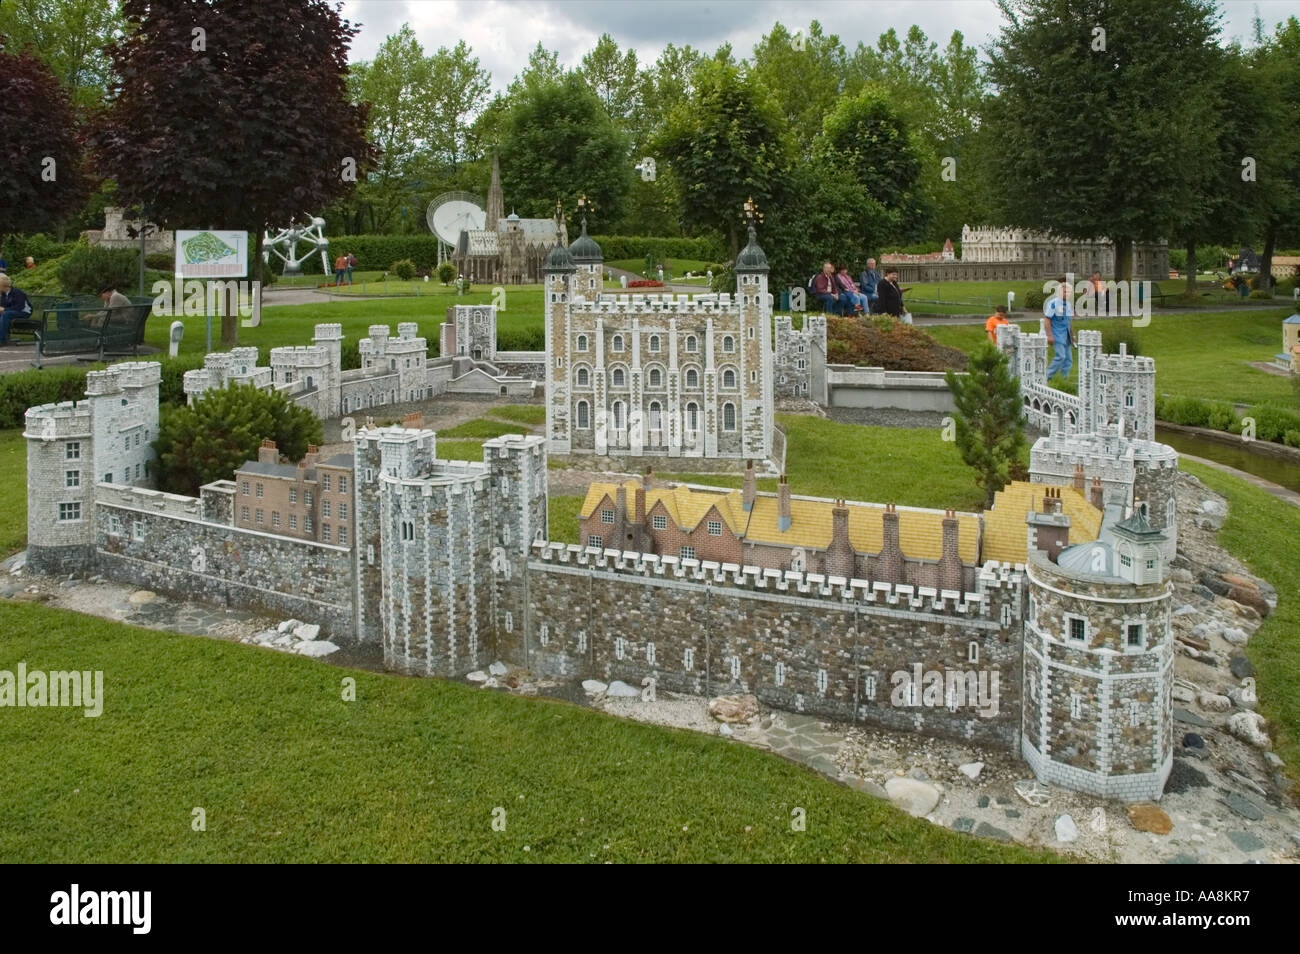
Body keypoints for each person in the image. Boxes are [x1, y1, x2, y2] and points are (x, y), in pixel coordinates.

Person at [1044, 276, 1074, 380]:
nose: (1067, 294)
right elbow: (1047, 319)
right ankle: (1047, 376)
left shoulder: (1069, 305)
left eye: (1069, 292)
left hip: (1066, 336)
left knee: (1068, 360)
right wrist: (1050, 335)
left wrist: (1072, 335)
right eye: (1065, 292)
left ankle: (1063, 379)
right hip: (1057, 334)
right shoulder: (1053, 303)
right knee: (1061, 356)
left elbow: (1069, 321)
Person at [0, 274, 33, 344]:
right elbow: (4, 306)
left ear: (2, 285)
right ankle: (4, 337)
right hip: (12, 312)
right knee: (4, 314)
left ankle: (1, 340)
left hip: (24, 312)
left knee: (5, 314)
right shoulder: (4, 294)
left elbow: (19, 307)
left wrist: (4, 310)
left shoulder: (18, 292)